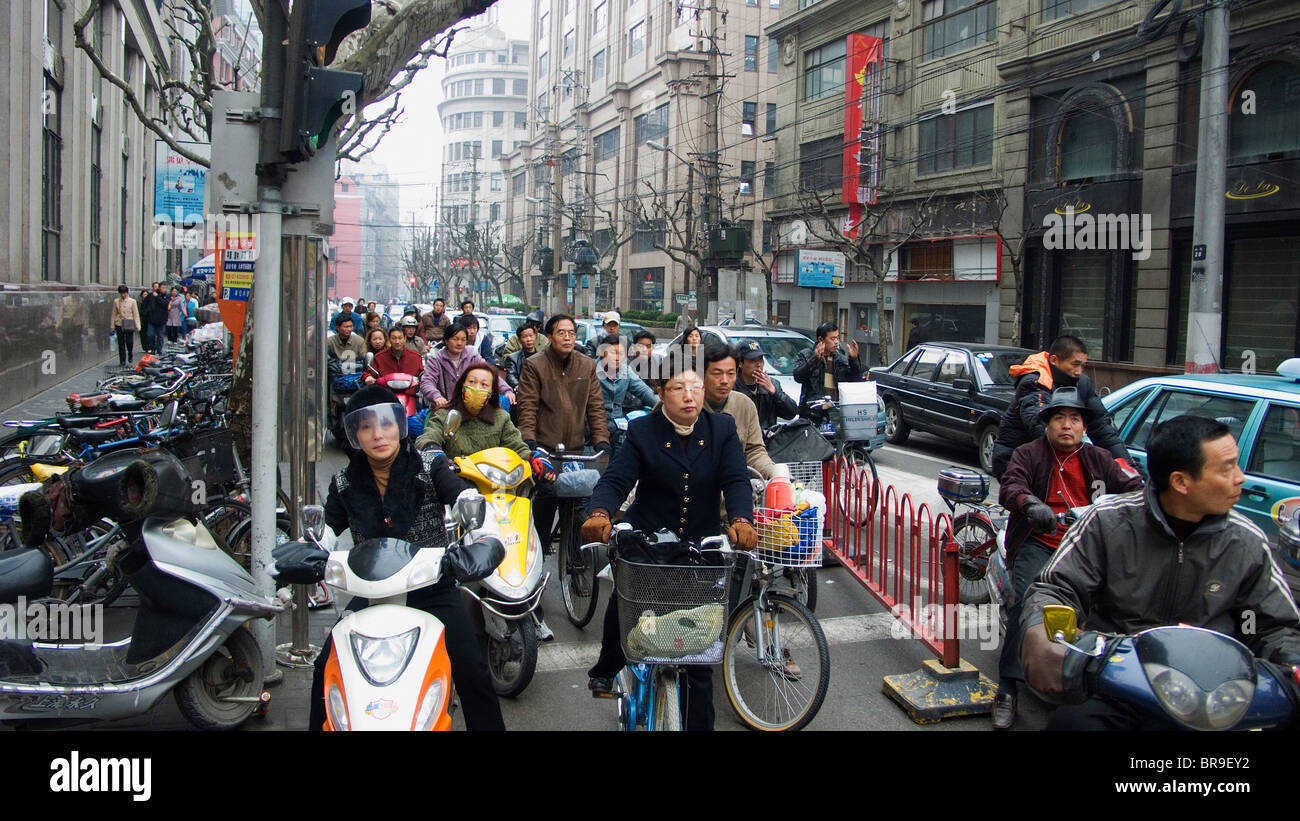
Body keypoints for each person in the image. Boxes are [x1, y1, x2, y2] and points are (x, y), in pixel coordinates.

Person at [1019, 414, 1300, 730]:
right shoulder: (1106, 522)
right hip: (1124, 685)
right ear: (1181, 481)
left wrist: (1291, 665)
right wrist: (1055, 643)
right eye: (1227, 468)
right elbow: (1055, 590)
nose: (1240, 478)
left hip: (1218, 693)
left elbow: (1277, 625)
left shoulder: (1246, 540)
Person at [305, 385, 506, 731]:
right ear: (354, 433)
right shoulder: (344, 482)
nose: (378, 434)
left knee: (472, 670)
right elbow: (325, 531)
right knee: (327, 669)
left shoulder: (430, 464)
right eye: (366, 427)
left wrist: (481, 534)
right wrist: (304, 551)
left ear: (399, 424)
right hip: (372, 593)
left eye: (385, 423)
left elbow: (462, 496)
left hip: (432, 587)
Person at [579, 367, 758, 730]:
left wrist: (741, 519)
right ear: (661, 392)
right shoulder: (644, 431)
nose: (689, 396)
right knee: (627, 599)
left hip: (701, 548)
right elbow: (617, 477)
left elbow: (736, 478)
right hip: (650, 541)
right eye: (679, 388)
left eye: (695, 387)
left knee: (700, 662)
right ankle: (608, 665)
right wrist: (600, 511)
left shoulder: (720, 429)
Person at [989, 387, 1144, 730]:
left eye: (1074, 418)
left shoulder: (1099, 459)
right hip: (1040, 542)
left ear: (1084, 426)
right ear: (1047, 424)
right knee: (1025, 602)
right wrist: (1031, 504)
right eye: (1059, 418)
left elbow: (1132, 486)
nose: (1067, 425)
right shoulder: (1028, 454)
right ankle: (1008, 687)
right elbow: (1011, 486)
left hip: (1088, 548)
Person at [414, 364, 552, 640]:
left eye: (484, 384)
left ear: (492, 391)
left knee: (521, 538)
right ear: (462, 385)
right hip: (462, 497)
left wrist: (534, 459)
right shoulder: (446, 415)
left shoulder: (500, 418)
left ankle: (532, 608)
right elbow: (428, 438)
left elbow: (518, 447)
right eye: (472, 382)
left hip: (501, 494)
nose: (478, 388)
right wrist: (433, 450)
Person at [516, 314, 611, 549]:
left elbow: (595, 407)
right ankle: (539, 545)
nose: (567, 338)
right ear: (549, 337)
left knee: (581, 499)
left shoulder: (587, 364)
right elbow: (527, 407)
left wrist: (601, 439)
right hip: (545, 450)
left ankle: (577, 557)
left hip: (577, 449)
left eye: (571, 333)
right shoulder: (535, 365)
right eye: (561, 333)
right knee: (547, 497)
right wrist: (528, 439)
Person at [990, 335, 1131, 480]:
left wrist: (1128, 467)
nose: (1079, 371)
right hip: (1016, 462)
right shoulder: (1035, 381)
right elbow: (1038, 424)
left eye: (1083, 365)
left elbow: (1102, 428)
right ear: (1054, 360)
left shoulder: (1082, 383)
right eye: (1075, 364)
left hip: (1053, 462)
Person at [700, 342, 776, 480]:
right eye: (717, 374)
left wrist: (773, 473)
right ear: (702, 375)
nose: (724, 381)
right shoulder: (688, 404)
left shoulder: (745, 405)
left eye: (730, 374)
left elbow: (754, 451)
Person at [420, 318, 513, 410]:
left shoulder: (472, 355)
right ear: (446, 340)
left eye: (463, 339)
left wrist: (506, 390)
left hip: (471, 407)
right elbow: (427, 382)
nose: (459, 343)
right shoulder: (436, 359)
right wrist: (436, 397)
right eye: (455, 339)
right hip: (444, 407)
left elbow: (489, 374)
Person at [595, 335, 658, 449]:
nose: (618, 357)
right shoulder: (591, 370)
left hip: (619, 427)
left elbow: (644, 391)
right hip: (596, 427)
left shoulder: (626, 370)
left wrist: (664, 406)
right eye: (613, 352)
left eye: (622, 353)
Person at [791, 321, 863, 414]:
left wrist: (854, 360)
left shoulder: (840, 358)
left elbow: (854, 381)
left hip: (836, 412)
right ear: (821, 339)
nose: (836, 342)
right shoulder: (806, 355)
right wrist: (815, 359)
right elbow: (798, 377)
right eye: (832, 339)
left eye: (837, 338)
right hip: (812, 412)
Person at [733, 340, 798, 430]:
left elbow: (791, 413)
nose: (758, 364)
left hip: (767, 439)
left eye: (760, 359)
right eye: (752, 361)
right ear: (740, 363)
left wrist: (774, 392)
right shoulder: (732, 386)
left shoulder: (772, 384)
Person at [110, 285, 141, 367]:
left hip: (129, 322)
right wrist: (112, 325)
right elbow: (113, 313)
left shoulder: (132, 301)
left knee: (129, 341)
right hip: (119, 323)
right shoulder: (116, 301)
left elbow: (136, 313)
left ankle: (130, 353)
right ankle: (122, 360)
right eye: (121, 293)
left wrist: (137, 325)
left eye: (124, 293)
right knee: (121, 343)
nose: (123, 295)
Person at [503, 324, 540, 391]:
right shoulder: (513, 358)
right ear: (519, 340)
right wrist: (519, 387)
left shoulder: (542, 357)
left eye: (531, 336)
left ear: (535, 337)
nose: (529, 339)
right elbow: (511, 375)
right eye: (525, 337)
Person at [144, 282, 169, 354]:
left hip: (162, 320)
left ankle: (159, 350)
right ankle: (152, 348)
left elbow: (164, 304)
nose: (164, 289)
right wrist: (146, 313)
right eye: (163, 287)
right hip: (152, 319)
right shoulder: (151, 295)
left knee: (160, 336)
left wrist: (157, 297)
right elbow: (145, 305)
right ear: (159, 288)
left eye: (165, 288)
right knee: (150, 335)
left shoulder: (167, 296)